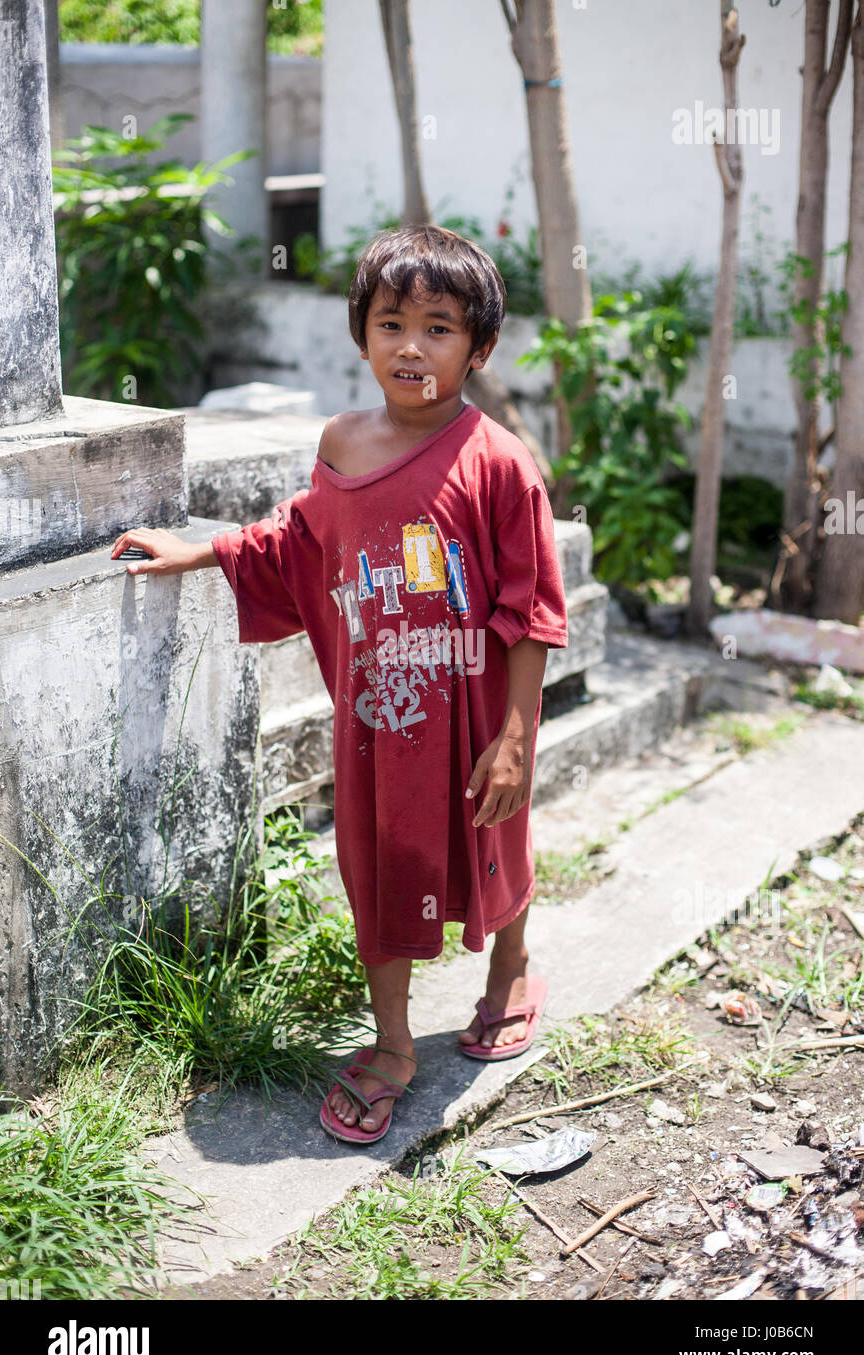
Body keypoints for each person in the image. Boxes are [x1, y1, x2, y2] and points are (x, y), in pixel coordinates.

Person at [111, 223, 569, 1145]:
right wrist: (202, 550)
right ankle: (394, 1043)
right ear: (361, 334)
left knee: (494, 853)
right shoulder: (343, 440)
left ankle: (511, 968)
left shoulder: (500, 465)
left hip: (476, 715)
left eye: (439, 328)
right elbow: (305, 536)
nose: (411, 346)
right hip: (376, 721)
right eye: (391, 322)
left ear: (479, 349)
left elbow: (532, 613)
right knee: (380, 866)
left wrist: (514, 739)